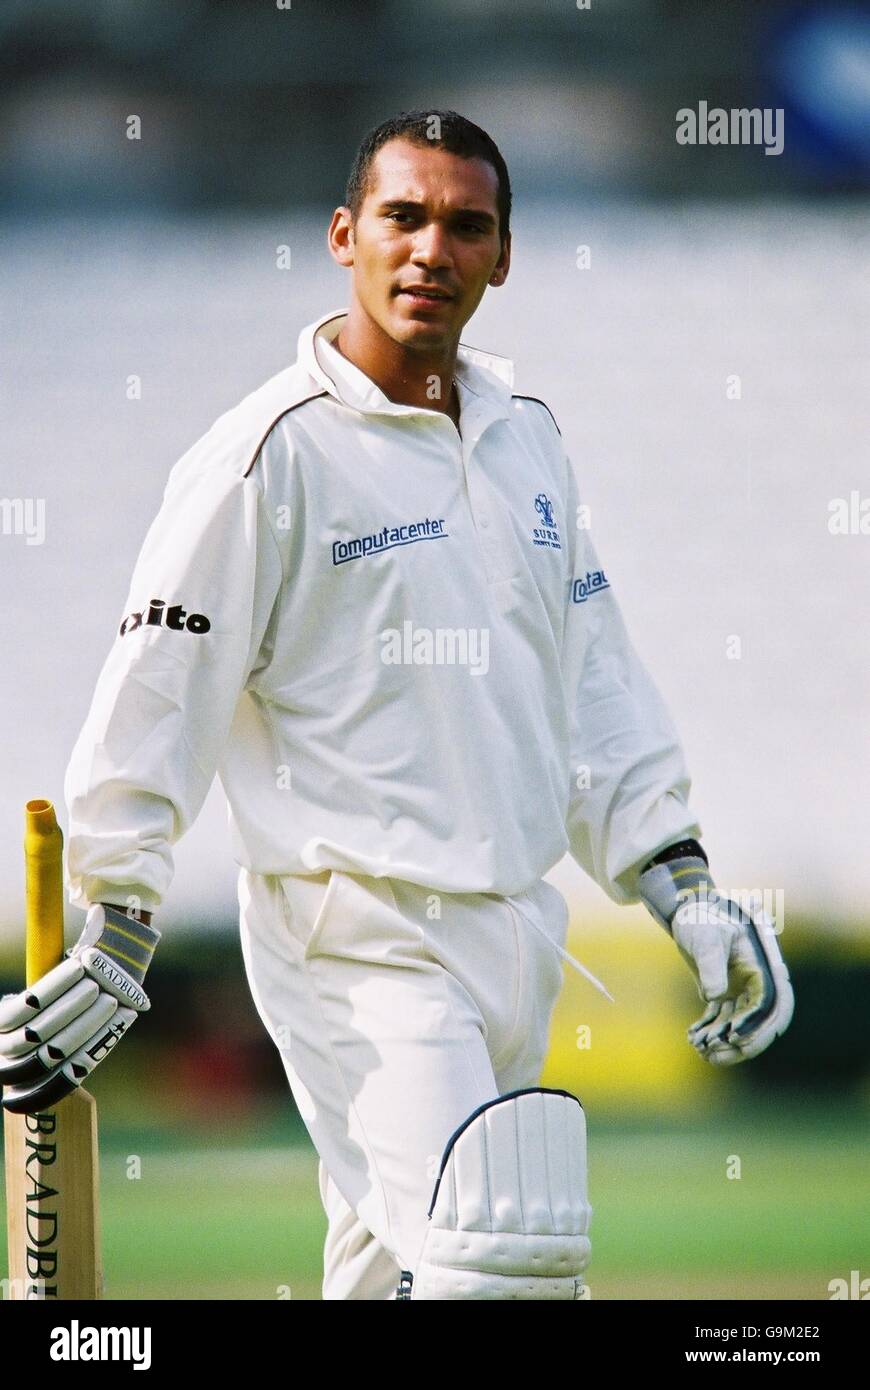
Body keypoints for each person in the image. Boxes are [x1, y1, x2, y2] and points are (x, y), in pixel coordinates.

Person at [0, 109, 793, 1300]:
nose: (433, 249)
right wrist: (119, 921)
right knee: (501, 1269)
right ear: (343, 235)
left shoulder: (529, 442)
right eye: (403, 217)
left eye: (466, 225)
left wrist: (681, 886)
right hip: (355, 937)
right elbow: (159, 692)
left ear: (504, 256)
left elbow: (592, 683)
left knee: (397, 1277)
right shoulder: (264, 457)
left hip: (516, 936)